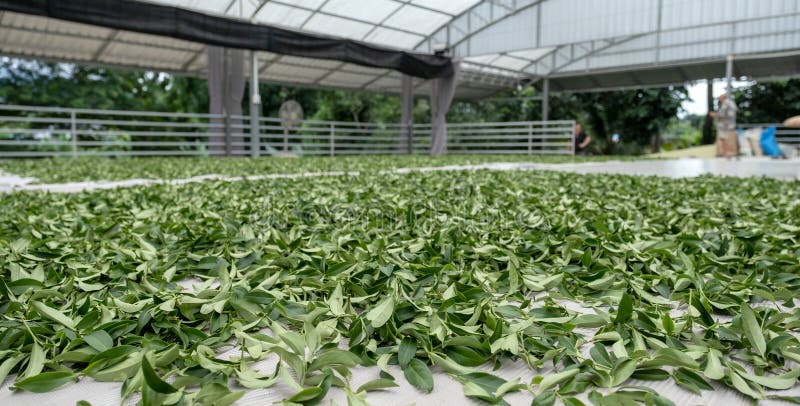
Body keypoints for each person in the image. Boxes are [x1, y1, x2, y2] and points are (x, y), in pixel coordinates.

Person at [709, 93, 738, 157]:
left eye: (719, 99)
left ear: (722, 98)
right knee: (726, 138)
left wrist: (714, 115)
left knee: (724, 138)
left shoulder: (726, 103)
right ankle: (728, 153)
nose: (719, 101)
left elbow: (722, 114)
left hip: (725, 125)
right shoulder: (731, 103)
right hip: (729, 125)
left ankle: (726, 153)